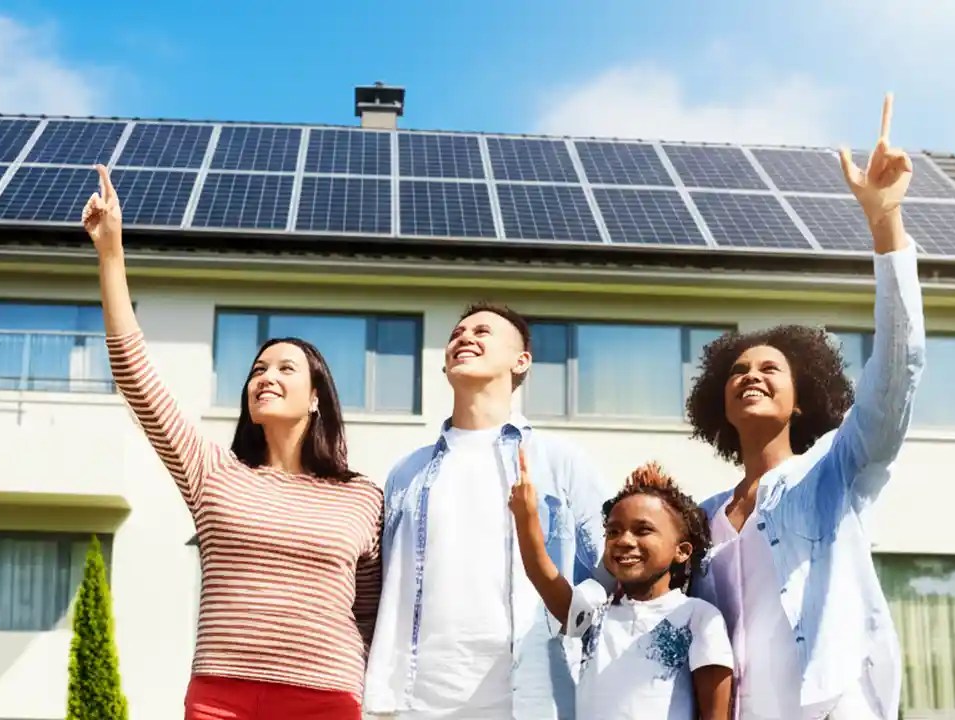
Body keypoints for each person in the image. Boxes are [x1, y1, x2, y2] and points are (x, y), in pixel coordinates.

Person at [82, 164, 383, 720]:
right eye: (257, 369)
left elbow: (368, 611)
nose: (265, 376)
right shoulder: (214, 472)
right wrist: (111, 256)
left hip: (328, 698)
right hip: (223, 695)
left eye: (285, 368)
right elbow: (133, 373)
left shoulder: (363, 497)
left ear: (316, 397)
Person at [683, 93, 926, 720]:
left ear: (800, 403)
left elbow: (896, 373)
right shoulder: (702, 520)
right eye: (738, 371)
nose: (751, 377)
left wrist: (885, 227)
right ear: (721, 402)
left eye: (770, 369)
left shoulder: (835, 473)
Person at [364, 303, 613, 720]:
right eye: (456, 333)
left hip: (530, 698)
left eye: (482, 331)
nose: (464, 337)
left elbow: (611, 571)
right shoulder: (407, 472)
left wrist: (573, 620)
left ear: (521, 361)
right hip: (414, 702)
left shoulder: (559, 461)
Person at [510, 454, 734, 720]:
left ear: (682, 551)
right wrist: (527, 518)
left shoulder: (698, 617)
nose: (624, 541)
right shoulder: (595, 615)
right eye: (613, 531)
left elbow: (715, 714)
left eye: (643, 530)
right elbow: (543, 575)